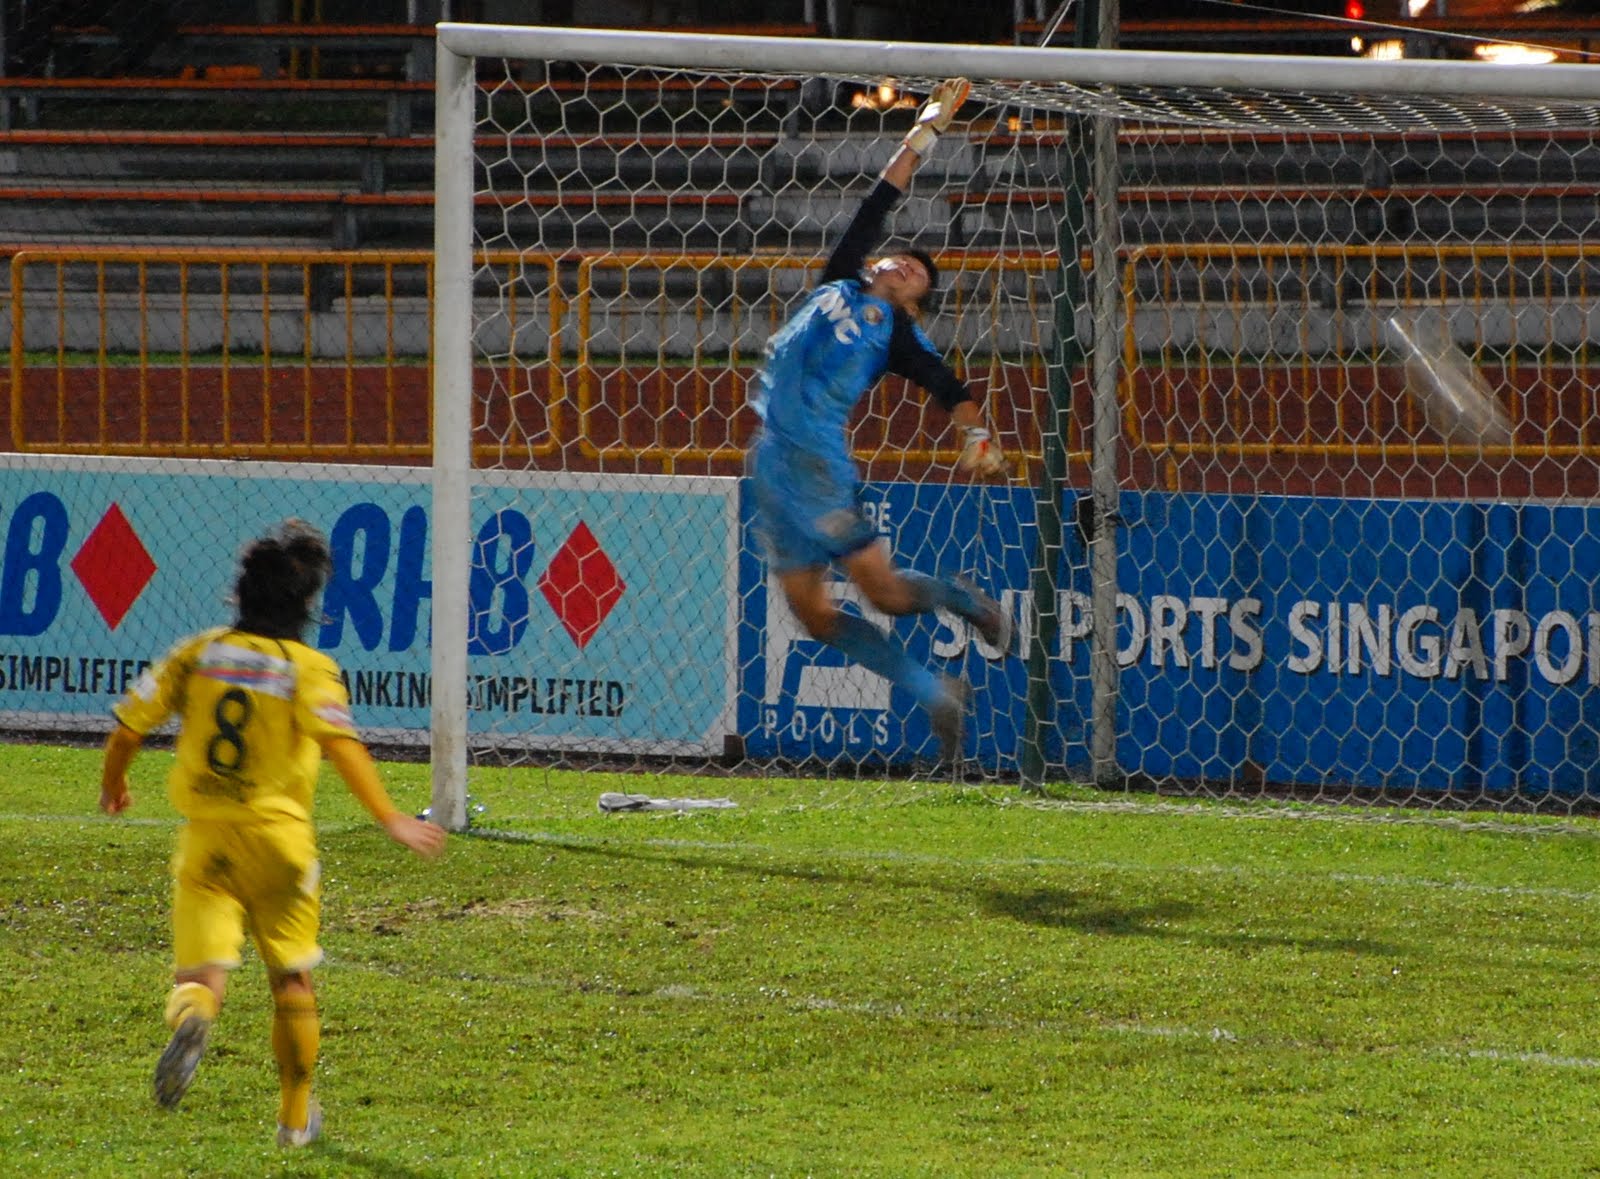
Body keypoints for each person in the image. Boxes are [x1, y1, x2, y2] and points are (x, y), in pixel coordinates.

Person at [97, 518, 446, 1147]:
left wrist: (114, 785)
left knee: (200, 976)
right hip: (281, 845)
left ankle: (197, 1015)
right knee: (291, 980)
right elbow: (342, 745)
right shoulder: (307, 666)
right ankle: (293, 1119)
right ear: (307, 604)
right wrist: (390, 816)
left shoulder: (198, 653)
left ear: (241, 591)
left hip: (208, 842)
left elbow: (127, 728)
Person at [748, 77, 1013, 759]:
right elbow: (880, 200)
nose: (901, 263)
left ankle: (966, 602)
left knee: (887, 595)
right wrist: (926, 128)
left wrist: (975, 434)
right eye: (898, 257)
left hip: (817, 464)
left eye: (916, 273)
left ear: (916, 304)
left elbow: (948, 385)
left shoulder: (893, 329)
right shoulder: (841, 280)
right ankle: (936, 691)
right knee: (814, 617)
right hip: (773, 464)